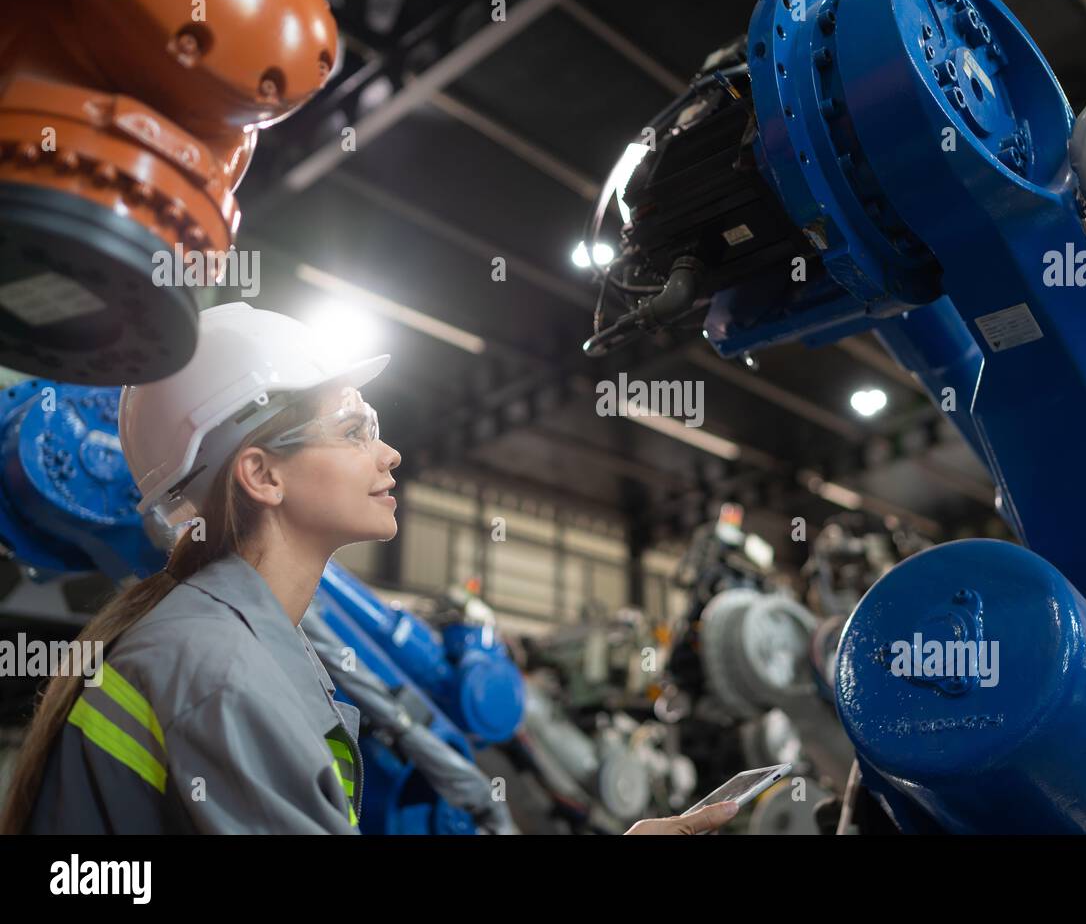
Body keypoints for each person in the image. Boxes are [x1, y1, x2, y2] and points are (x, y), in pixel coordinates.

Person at [0, 302, 737, 836]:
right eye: (354, 430)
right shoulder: (219, 670)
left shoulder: (235, 645)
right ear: (261, 475)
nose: (389, 455)